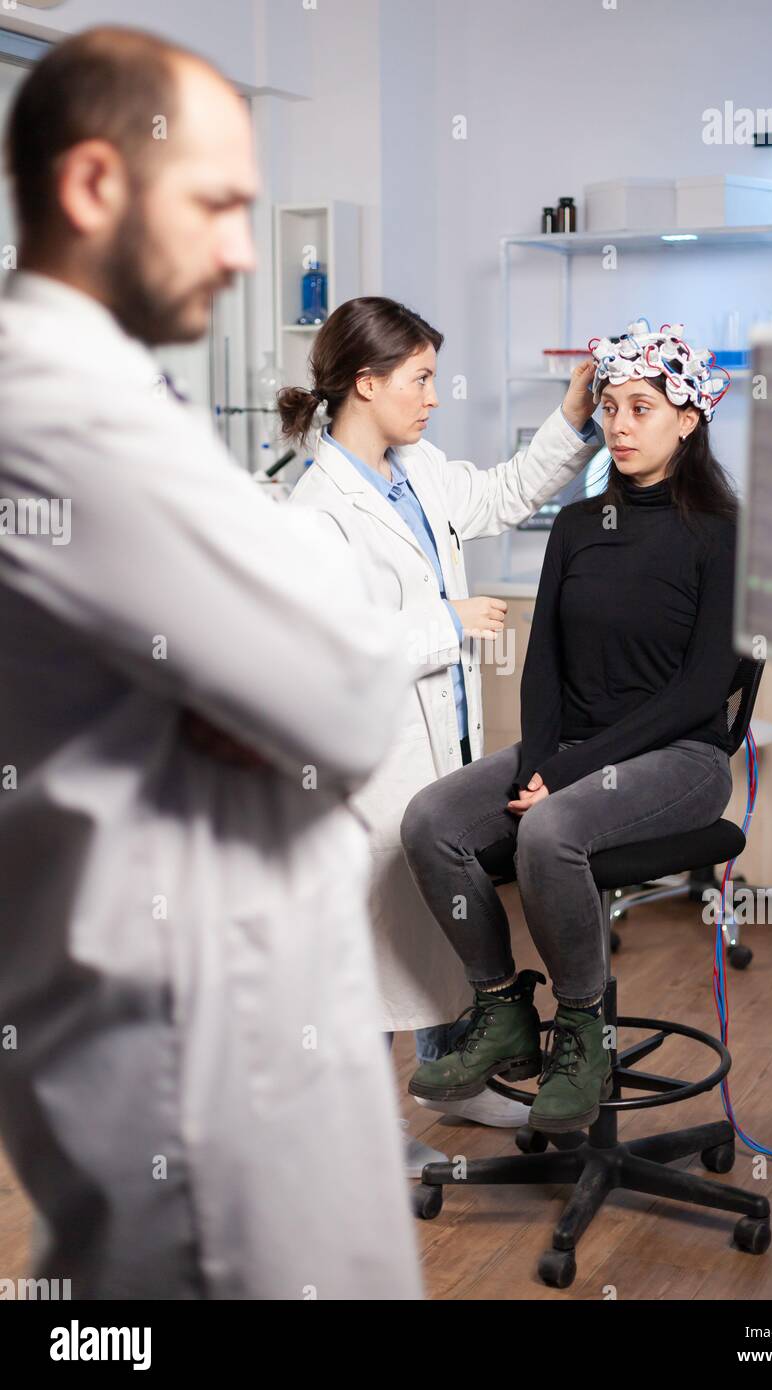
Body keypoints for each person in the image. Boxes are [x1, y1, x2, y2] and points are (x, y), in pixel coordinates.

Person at [0, 26, 432, 1299]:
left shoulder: (121, 400)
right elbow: (349, 693)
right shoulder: (63, 418)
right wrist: (286, 669)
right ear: (92, 187)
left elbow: (320, 667)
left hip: (219, 1016)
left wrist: (273, 664)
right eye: (218, 205)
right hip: (193, 1062)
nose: (248, 251)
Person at [280, 298, 602, 1170]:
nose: (432, 396)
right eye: (419, 379)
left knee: (439, 928)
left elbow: (500, 493)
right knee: (374, 951)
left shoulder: (412, 469)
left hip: (437, 745)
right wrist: (445, 619)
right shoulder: (319, 510)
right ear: (366, 381)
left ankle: (461, 1086)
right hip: (369, 765)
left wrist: (574, 416)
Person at [400, 319, 740, 1134]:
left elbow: (700, 691)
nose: (620, 426)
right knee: (431, 821)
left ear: (688, 420)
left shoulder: (722, 534)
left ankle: (583, 1030)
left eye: (644, 409)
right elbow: (544, 663)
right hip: (575, 750)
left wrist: (571, 773)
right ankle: (501, 1004)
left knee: (549, 832)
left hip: (680, 756)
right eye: (612, 408)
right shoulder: (581, 525)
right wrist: (539, 761)